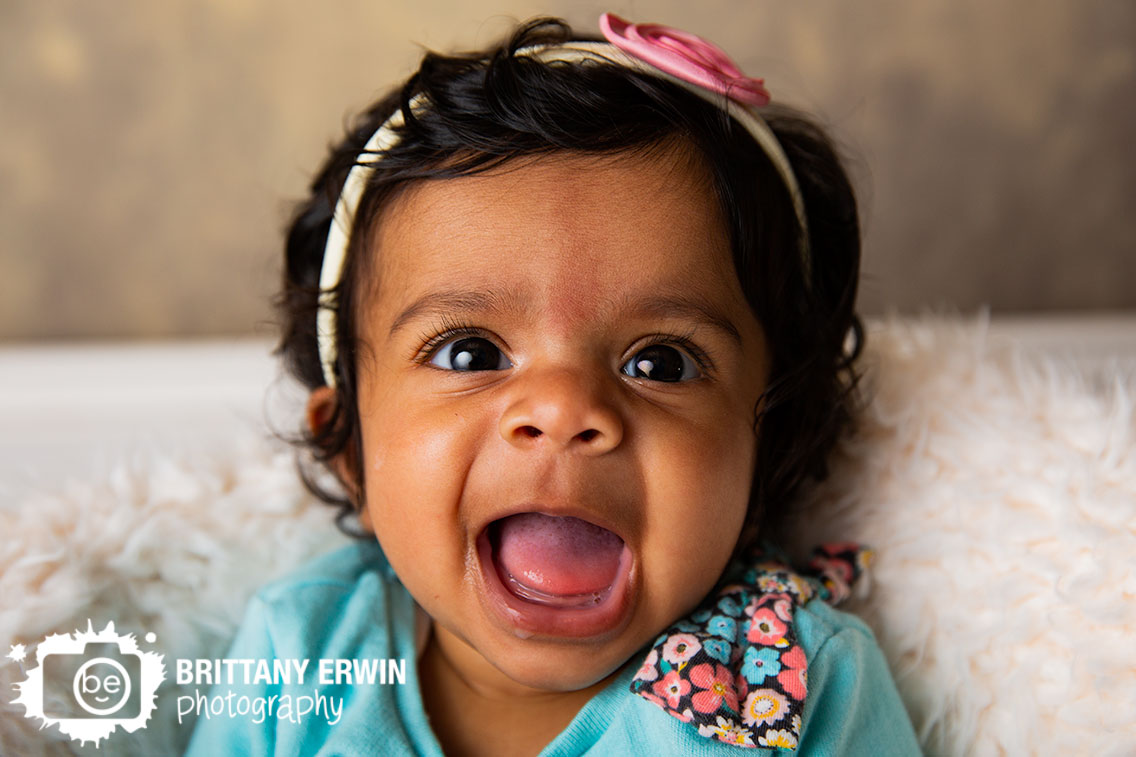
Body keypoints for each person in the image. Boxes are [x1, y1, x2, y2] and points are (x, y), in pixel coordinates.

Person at [187, 13, 920, 755]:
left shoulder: (799, 680)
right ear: (350, 454)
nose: (564, 408)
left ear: (769, 454)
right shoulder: (299, 651)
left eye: (660, 362)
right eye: (470, 353)